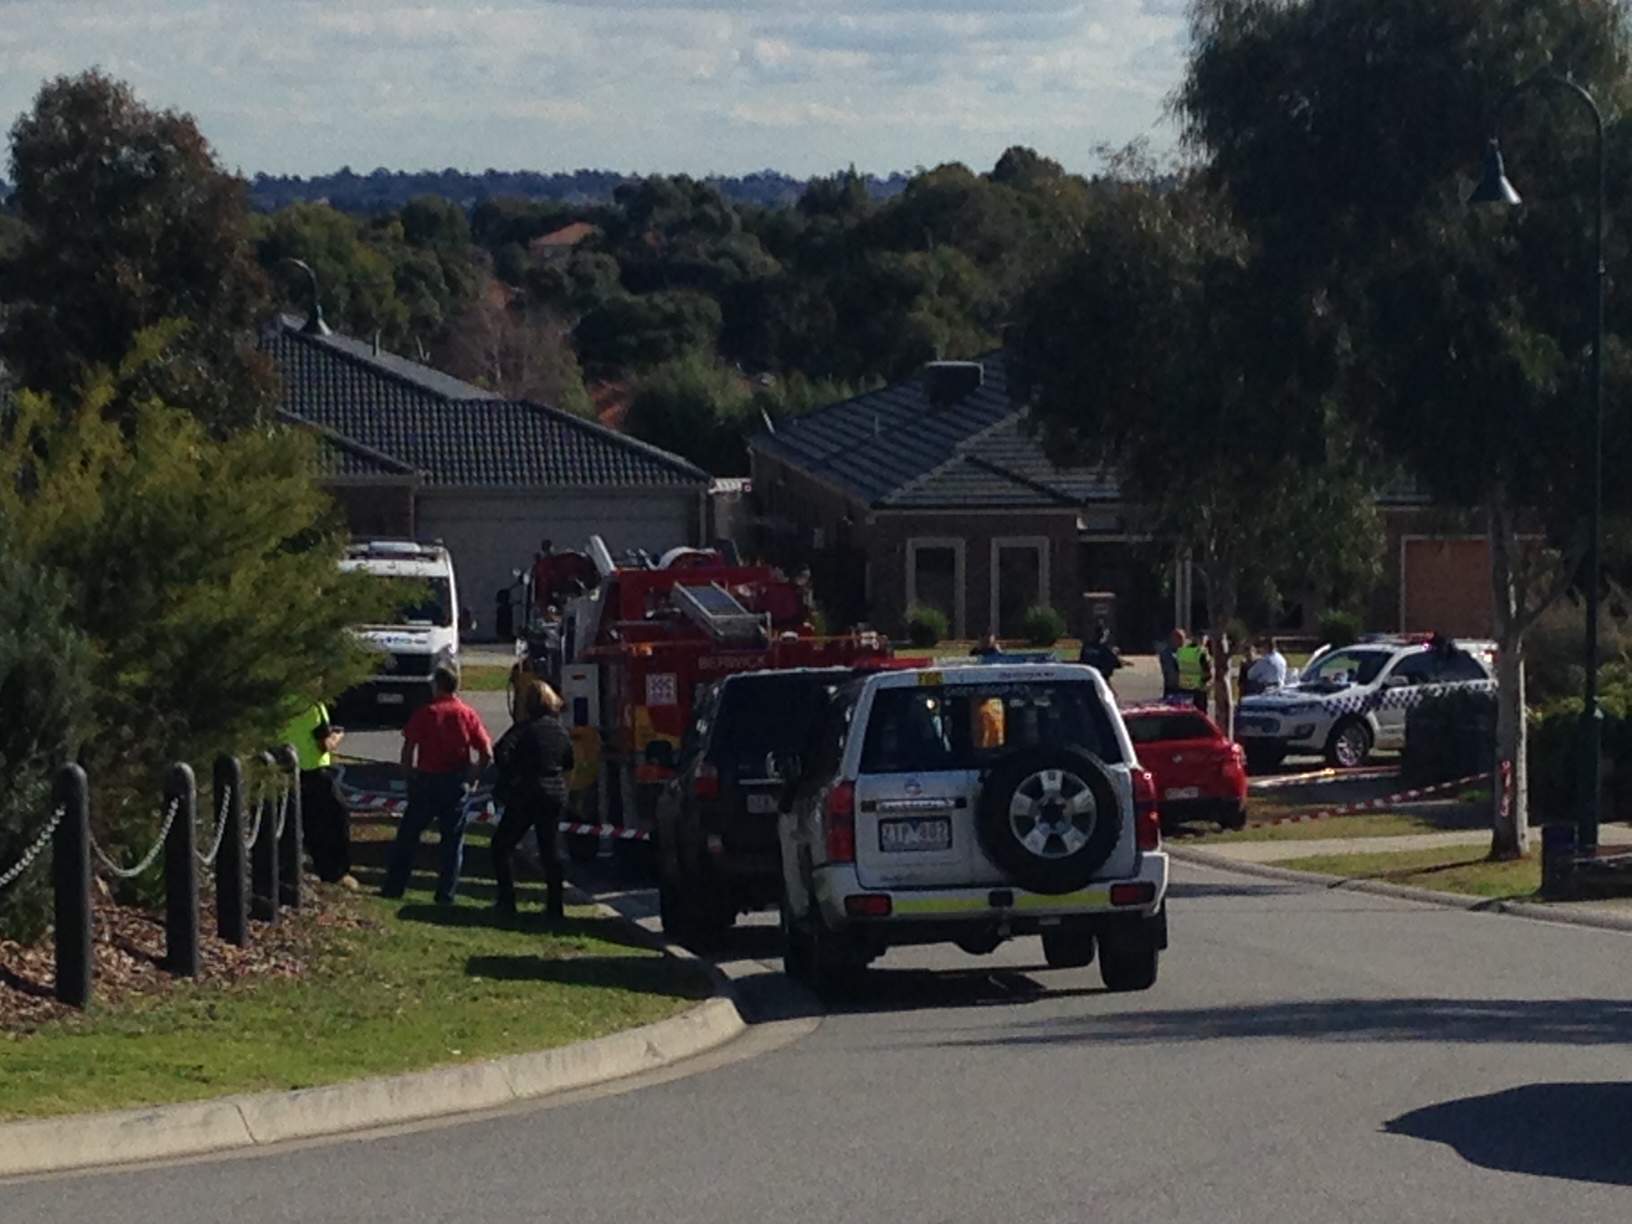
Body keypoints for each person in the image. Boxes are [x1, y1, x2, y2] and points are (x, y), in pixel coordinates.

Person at [382, 666, 494, 904]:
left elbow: (409, 746)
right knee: (452, 843)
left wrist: (408, 774)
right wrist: (473, 775)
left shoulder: (427, 712)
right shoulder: (467, 714)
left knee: (408, 838)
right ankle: (446, 894)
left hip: (426, 781)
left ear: (438, 686)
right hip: (455, 782)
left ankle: (394, 887)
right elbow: (486, 752)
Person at [490, 681, 574, 918]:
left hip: (527, 791)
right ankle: (555, 907)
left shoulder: (523, 729)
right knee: (550, 850)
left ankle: (507, 900)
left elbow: (501, 752)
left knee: (501, 845)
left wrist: (511, 777)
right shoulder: (559, 731)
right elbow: (569, 762)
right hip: (555, 792)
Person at [280, 701, 357, 890]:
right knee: (334, 820)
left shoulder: (280, 699)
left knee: (292, 825)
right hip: (313, 771)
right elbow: (324, 744)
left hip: (281, 771)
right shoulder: (313, 707)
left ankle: (288, 875)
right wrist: (338, 736)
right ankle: (335, 873)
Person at [1078, 620, 1123, 685]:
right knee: (1109, 693)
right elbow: (1116, 663)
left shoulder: (1086, 646)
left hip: (1087, 678)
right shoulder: (1104, 649)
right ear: (1102, 635)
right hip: (1101, 679)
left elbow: (1081, 661)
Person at [1176, 633, 1211, 713]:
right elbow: (1207, 673)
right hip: (1198, 689)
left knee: (1186, 714)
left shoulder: (1182, 651)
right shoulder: (1201, 653)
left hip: (1184, 688)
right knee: (1200, 715)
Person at [1159, 629, 1186, 702]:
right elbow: (1170, 671)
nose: (1183, 641)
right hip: (1172, 688)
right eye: (1180, 638)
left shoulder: (1186, 652)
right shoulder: (1166, 653)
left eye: (1183, 638)